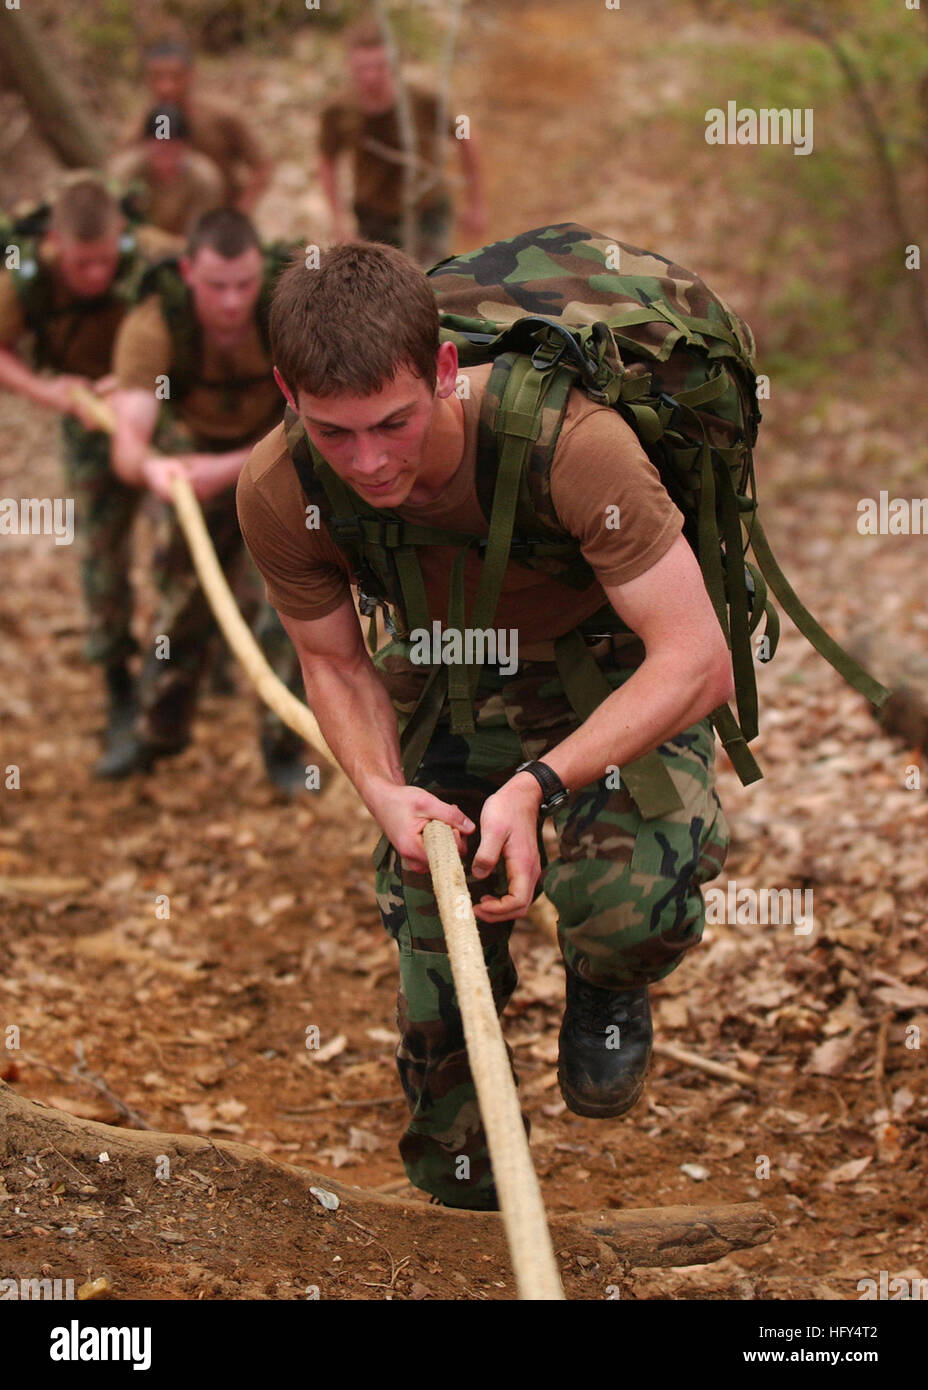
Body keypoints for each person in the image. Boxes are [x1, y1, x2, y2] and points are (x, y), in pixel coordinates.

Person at [236, 242, 734, 1210]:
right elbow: (334, 660)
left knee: (631, 907)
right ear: (287, 391)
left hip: (611, 668)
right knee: (433, 940)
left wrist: (534, 786)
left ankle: (604, 974)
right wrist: (382, 790)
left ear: (441, 371)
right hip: (445, 672)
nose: (369, 461)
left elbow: (695, 658)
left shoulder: (571, 443)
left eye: (394, 422)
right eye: (335, 432)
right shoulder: (279, 488)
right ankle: (459, 1191)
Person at [107, 209, 305, 789]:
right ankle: (157, 733)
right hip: (190, 463)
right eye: (216, 285)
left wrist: (227, 470)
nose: (230, 301)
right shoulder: (153, 324)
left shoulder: (285, 309)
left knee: (286, 612)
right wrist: (159, 470)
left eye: (244, 284)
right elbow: (127, 449)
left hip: (280, 461)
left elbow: (321, 421)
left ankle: (284, 751)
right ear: (190, 271)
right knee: (180, 609)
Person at [0, 175, 180, 770]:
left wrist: (136, 380)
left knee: (183, 535)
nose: (96, 276)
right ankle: (118, 690)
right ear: (54, 243)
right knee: (101, 553)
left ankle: (179, 660)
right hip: (83, 417)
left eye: (106, 260)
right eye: (82, 264)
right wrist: (49, 391)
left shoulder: (155, 255)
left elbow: (200, 315)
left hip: (159, 407)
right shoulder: (24, 276)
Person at [318, 18, 487, 266]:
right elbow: (327, 162)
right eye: (361, 68)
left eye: (379, 66)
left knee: (431, 279)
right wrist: (338, 221)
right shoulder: (338, 111)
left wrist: (476, 202)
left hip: (427, 209)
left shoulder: (423, 100)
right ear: (349, 66)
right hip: (372, 214)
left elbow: (466, 137)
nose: (371, 76)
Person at [121, 36, 273, 214]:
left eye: (175, 77)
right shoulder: (138, 127)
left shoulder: (221, 116)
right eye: (158, 77)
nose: (166, 87)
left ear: (191, 75)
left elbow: (262, 167)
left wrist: (239, 214)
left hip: (219, 217)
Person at [109, 104, 225, 238]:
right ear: (145, 145)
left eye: (172, 149)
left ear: (186, 146)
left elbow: (201, 234)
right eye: (159, 149)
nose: (165, 158)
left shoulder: (205, 180)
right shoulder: (125, 172)